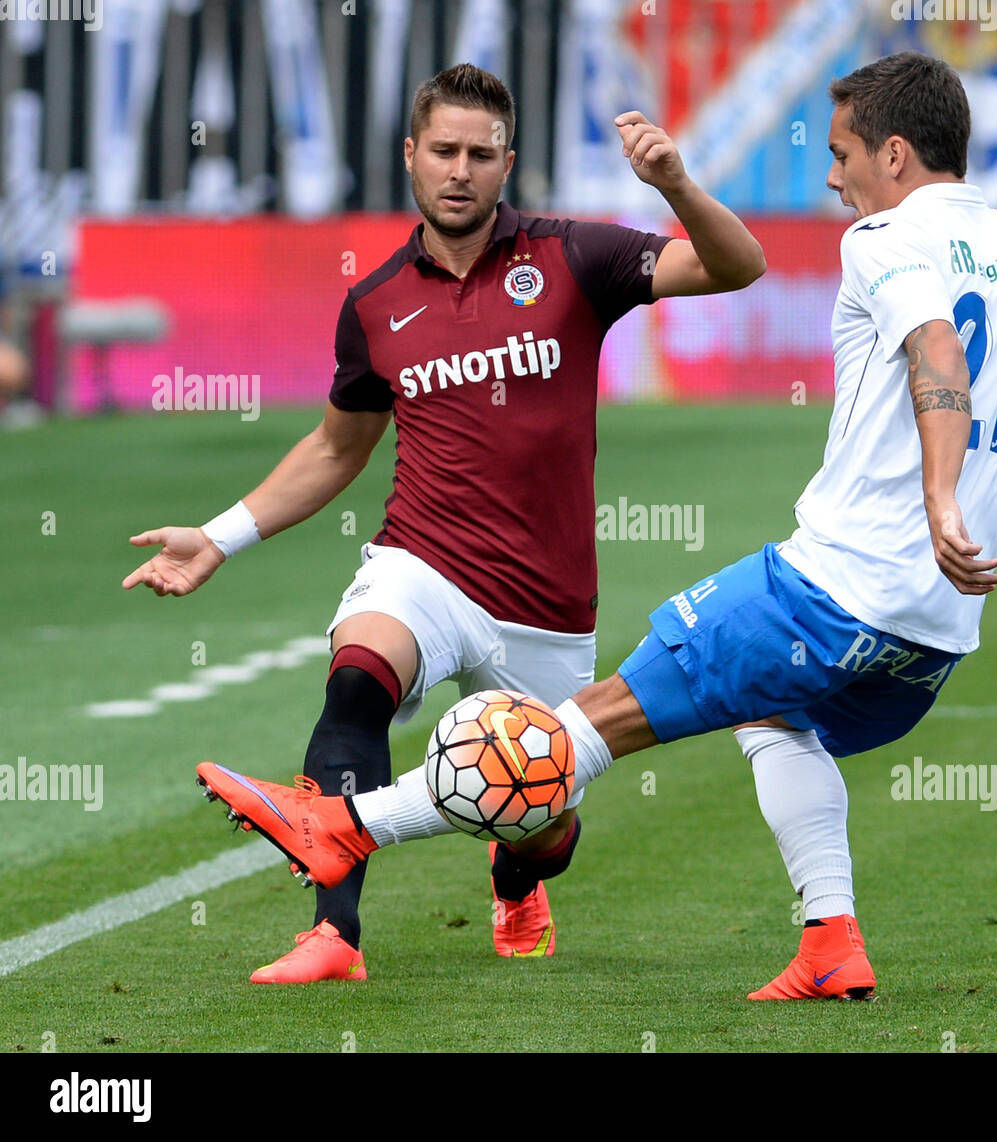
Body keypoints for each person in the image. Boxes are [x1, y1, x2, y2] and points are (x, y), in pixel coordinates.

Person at [193, 52, 997, 999]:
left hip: (835, 581)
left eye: (841, 155)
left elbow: (934, 345)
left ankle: (346, 825)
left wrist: (939, 493)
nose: (835, 180)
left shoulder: (887, 238)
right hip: (933, 632)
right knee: (773, 717)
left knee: (571, 734)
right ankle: (830, 940)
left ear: (892, 154)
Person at [125, 63, 765, 983]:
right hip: (422, 561)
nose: (460, 169)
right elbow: (337, 449)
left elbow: (739, 266)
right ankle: (334, 936)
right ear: (410, 157)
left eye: (481, 153)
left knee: (540, 823)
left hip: (547, 603)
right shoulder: (377, 302)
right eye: (444, 151)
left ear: (508, 164)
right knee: (355, 682)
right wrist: (219, 536)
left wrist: (673, 184)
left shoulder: (575, 256)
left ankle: (517, 881)